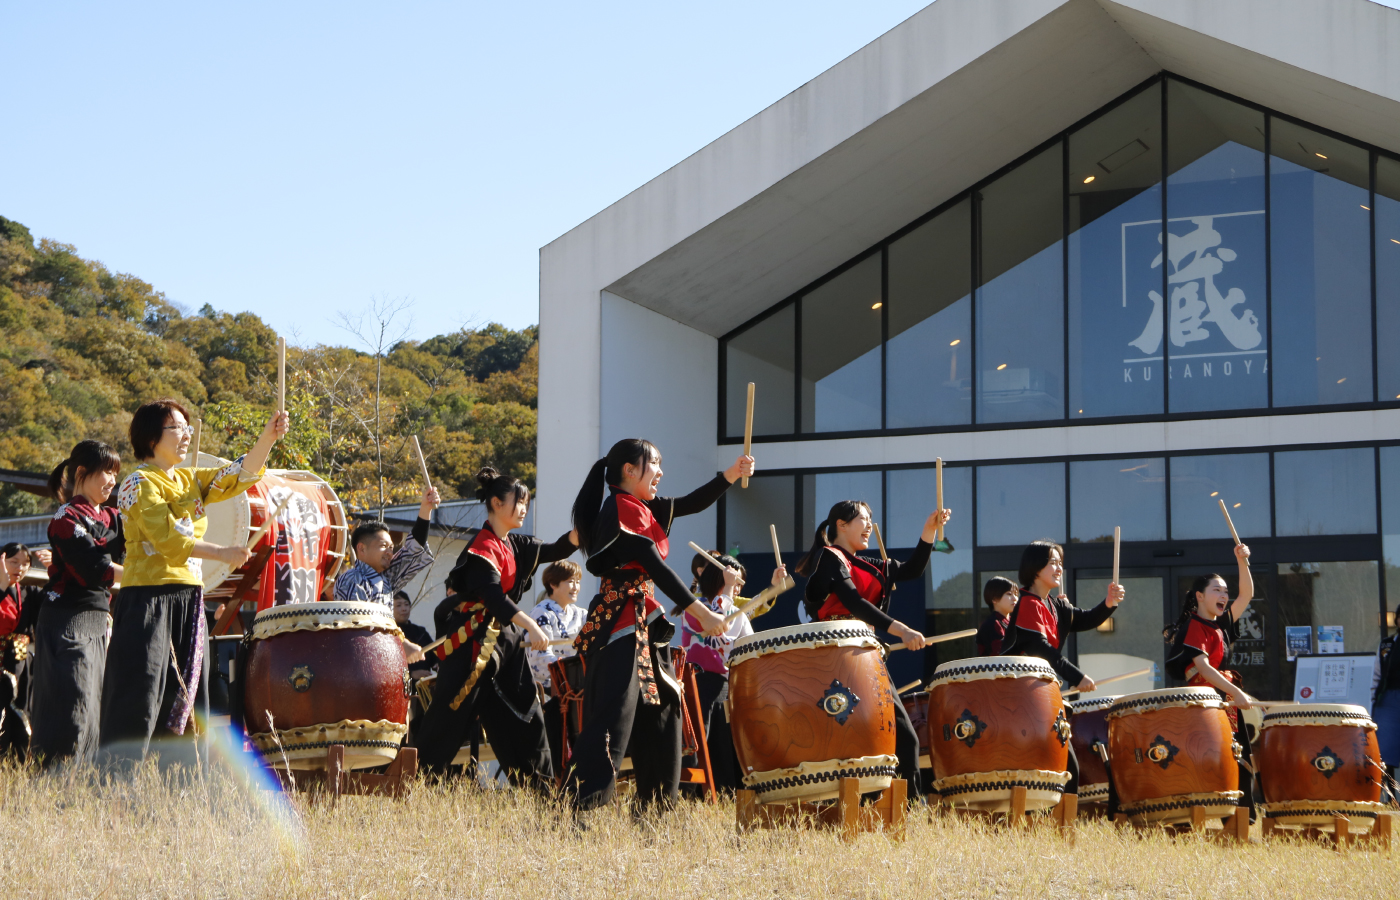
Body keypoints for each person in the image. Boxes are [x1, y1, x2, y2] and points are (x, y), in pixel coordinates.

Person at [100, 398, 286, 767]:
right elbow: (167, 541)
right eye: (177, 428)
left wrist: (267, 438)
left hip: (189, 595)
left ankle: (178, 780)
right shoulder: (136, 483)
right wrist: (223, 552)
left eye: (187, 428)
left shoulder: (189, 478)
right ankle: (118, 778)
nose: (186, 435)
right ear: (152, 437)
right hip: (148, 598)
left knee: (188, 692)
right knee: (142, 688)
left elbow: (237, 476)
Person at [567, 439, 750, 813]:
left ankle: (655, 814)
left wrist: (732, 473)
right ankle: (583, 812)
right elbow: (654, 564)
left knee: (665, 714)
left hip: (645, 626)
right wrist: (698, 610)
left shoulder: (641, 507)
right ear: (629, 471)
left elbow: (691, 503)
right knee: (612, 722)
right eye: (654, 465)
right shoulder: (620, 507)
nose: (661, 473)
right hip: (621, 623)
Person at [414, 468, 578, 784]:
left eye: (527, 503)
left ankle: (538, 787)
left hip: (506, 641)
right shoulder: (482, 547)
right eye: (518, 502)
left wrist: (581, 531)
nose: (524, 509)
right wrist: (530, 624)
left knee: (525, 709)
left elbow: (557, 550)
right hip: (471, 642)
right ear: (496, 503)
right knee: (450, 715)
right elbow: (493, 597)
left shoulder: (515, 544)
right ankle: (416, 782)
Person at [795, 498, 951, 799]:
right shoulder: (830, 558)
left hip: (866, 659)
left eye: (870, 519)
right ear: (841, 525)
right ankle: (856, 806)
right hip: (834, 661)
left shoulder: (868, 564)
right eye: (863, 519)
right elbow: (854, 602)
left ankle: (907, 813)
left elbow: (913, 569)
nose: (869, 525)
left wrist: (928, 530)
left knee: (904, 736)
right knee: (853, 738)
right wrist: (902, 629)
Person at [1000, 540, 1124, 798]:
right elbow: (1042, 650)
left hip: (1039, 696)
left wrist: (1109, 602)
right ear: (1035, 568)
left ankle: (1059, 828)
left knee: (1066, 768)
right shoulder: (1027, 603)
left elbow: (1086, 618)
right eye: (1052, 562)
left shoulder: (1055, 606)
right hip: (1015, 698)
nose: (1059, 568)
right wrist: (1077, 677)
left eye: (1060, 563)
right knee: (1043, 769)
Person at [28, 441, 125, 767]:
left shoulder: (112, 516)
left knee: (94, 705)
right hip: (66, 621)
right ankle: (52, 783)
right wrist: (143, 575)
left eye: (116, 473)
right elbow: (95, 569)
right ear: (82, 473)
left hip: (96, 621)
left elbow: (142, 543)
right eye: (106, 473)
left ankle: (82, 785)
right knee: (73, 703)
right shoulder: (65, 518)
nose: (112, 481)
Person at [681, 551, 791, 791]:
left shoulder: (736, 612)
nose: (738, 588)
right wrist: (728, 590)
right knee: (698, 740)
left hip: (725, 684)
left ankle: (720, 797)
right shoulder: (696, 607)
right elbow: (720, 629)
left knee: (723, 746)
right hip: (697, 680)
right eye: (735, 582)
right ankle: (687, 797)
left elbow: (750, 646)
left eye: (740, 583)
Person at [1163, 543, 1258, 814]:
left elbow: (1247, 594)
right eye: (1217, 589)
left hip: (1223, 700)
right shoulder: (1195, 625)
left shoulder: (1220, 624)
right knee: (1212, 758)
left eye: (1226, 591)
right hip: (1204, 704)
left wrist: (1242, 561)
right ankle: (1205, 813)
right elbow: (1203, 668)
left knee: (1238, 756)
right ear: (1199, 597)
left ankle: (1240, 818)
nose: (1224, 595)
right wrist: (1236, 692)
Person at [333, 485, 441, 663]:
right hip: (356, 664)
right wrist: (401, 643)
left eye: (391, 548)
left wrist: (425, 509)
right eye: (383, 546)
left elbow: (413, 551)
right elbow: (361, 625)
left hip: (380, 662)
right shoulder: (353, 579)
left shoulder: (385, 579)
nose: (390, 552)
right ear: (361, 548)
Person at [526, 560, 586, 778]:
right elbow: (538, 659)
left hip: (579, 690)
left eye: (578, 582)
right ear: (553, 584)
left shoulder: (581, 615)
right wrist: (570, 673)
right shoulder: (540, 613)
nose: (576, 587)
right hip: (553, 693)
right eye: (570, 582)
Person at [1, 542, 51, 754]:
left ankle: (17, 760)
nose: (19, 568)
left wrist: (54, 571)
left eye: (25, 564)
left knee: (21, 707)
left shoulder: (30, 593)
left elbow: (56, 599)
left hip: (21, 660)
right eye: (14, 562)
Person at [392, 591, 435, 679]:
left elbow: (434, 656)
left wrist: (438, 664)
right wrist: (411, 674)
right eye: (398, 605)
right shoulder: (389, 634)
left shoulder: (420, 632)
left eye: (406, 604)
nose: (404, 608)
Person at [976, 576, 1017, 657]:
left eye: (1016, 594)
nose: (1015, 598)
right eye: (1009, 594)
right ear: (994, 599)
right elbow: (1000, 654)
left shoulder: (1015, 621)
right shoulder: (992, 624)